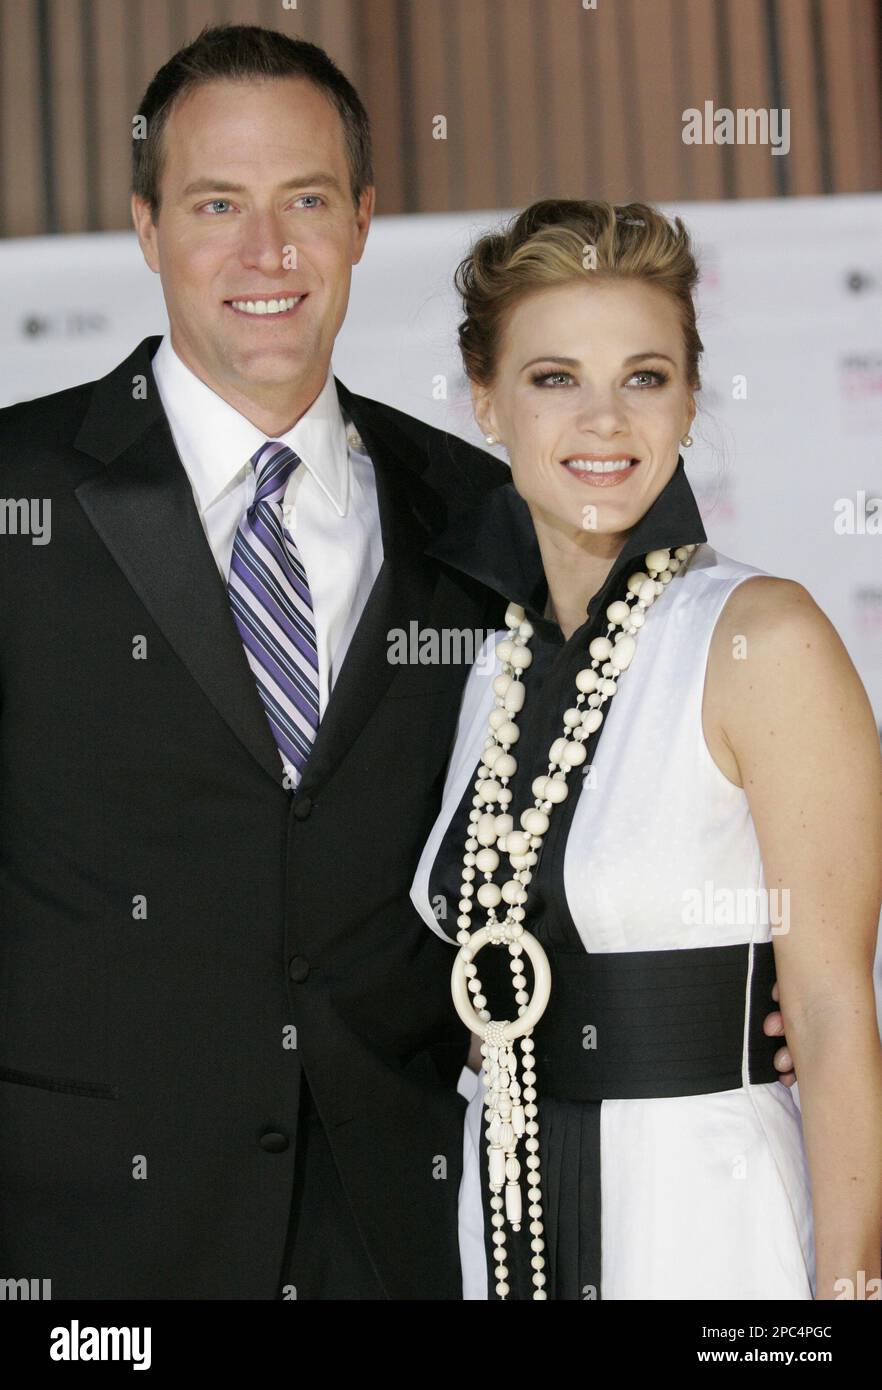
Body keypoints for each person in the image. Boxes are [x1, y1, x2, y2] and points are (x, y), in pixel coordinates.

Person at [0, 26, 794, 1300]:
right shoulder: (17, 495)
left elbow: (580, 817)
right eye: (218, 204)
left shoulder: (487, 513)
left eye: (305, 200)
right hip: (90, 1244)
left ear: (363, 219)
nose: (267, 254)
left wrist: (734, 993)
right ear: (147, 227)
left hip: (413, 1227)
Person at [410, 198, 882, 1300]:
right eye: (555, 377)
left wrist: (851, 1286)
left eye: (645, 375)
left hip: (711, 1221)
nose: (605, 421)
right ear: (486, 401)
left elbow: (828, 1006)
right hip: (507, 1216)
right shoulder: (492, 666)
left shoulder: (765, 636)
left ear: (690, 397)